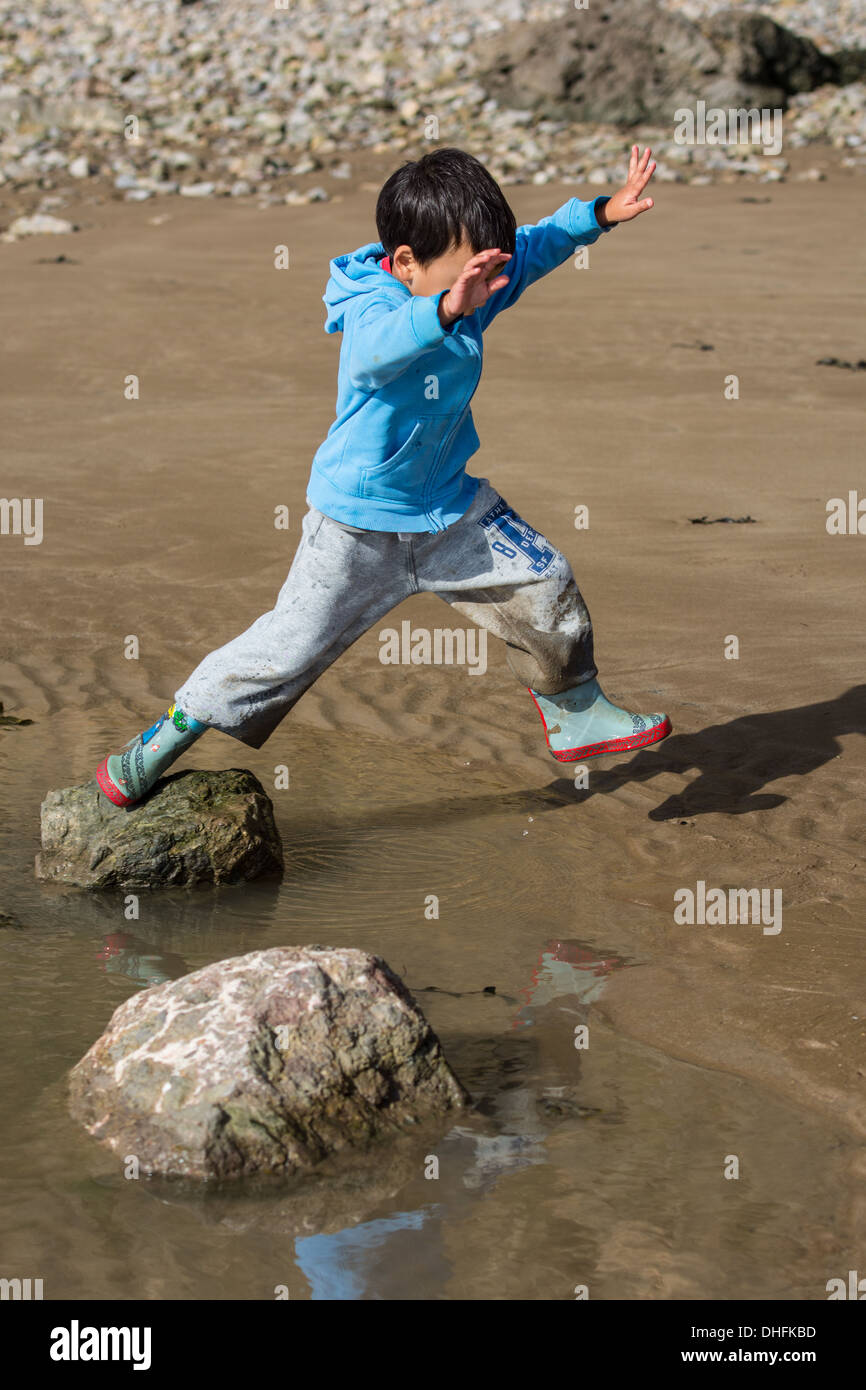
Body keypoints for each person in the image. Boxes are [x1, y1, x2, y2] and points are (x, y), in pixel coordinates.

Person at [97, 145, 670, 808]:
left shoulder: (475, 282)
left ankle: (576, 714)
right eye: (474, 272)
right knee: (281, 653)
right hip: (355, 526)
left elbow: (533, 246)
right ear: (406, 263)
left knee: (546, 582)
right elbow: (374, 355)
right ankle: (158, 743)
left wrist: (600, 215)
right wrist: (448, 310)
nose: (491, 284)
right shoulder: (375, 305)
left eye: (493, 268)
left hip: (450, 510)